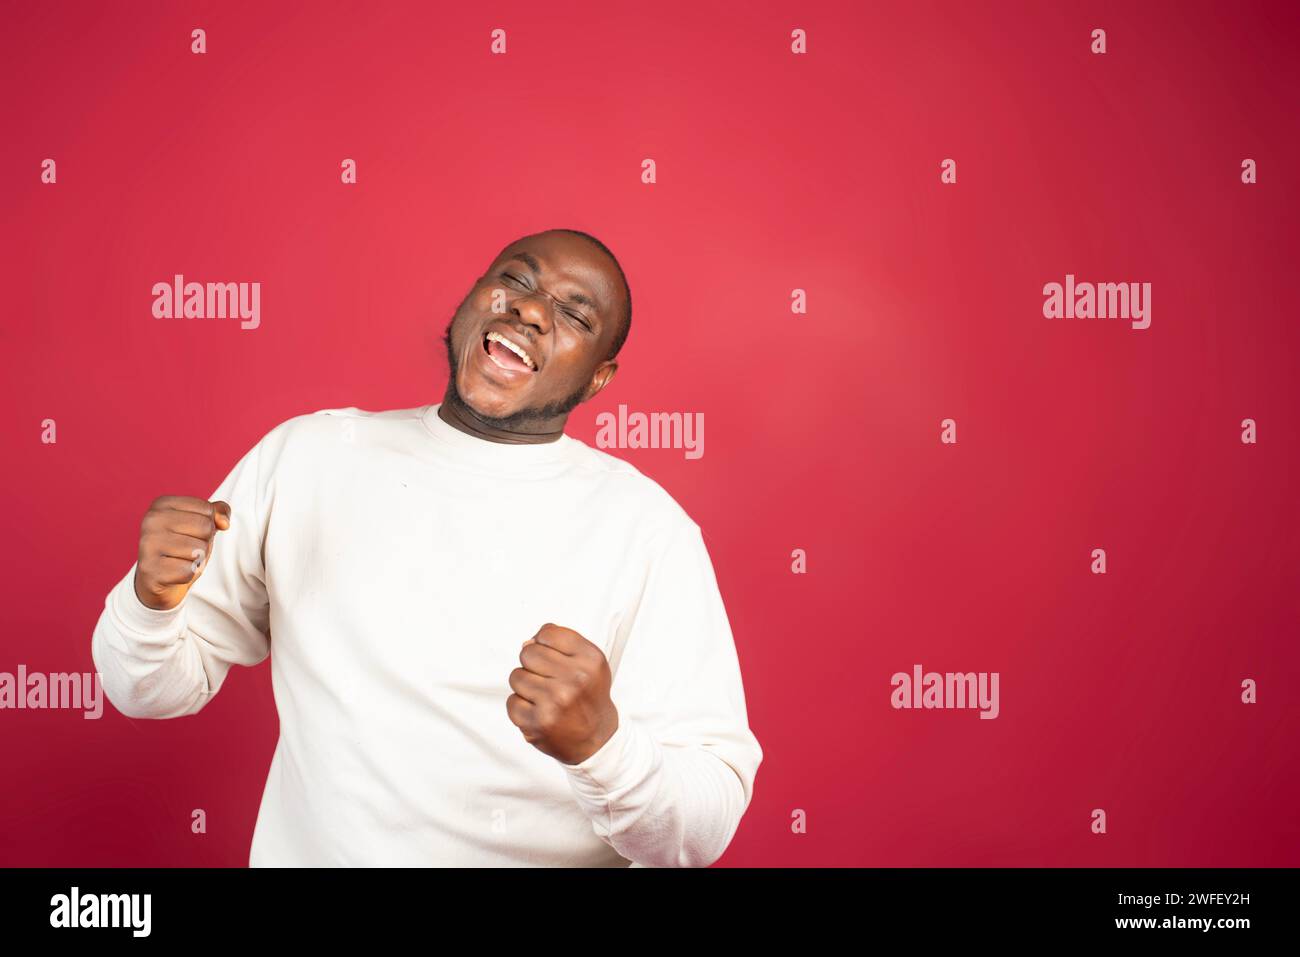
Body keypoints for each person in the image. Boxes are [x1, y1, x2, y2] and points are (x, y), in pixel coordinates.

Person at [90, 228, 763, 867]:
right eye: (515, 280)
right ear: (472, 298)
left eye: (574, 315)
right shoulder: (310, 457)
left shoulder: (647, 530)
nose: (529, 308)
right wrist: (150, 603)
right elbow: (145, 692)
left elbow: (701, 829)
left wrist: (601, 745)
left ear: (598, 379)